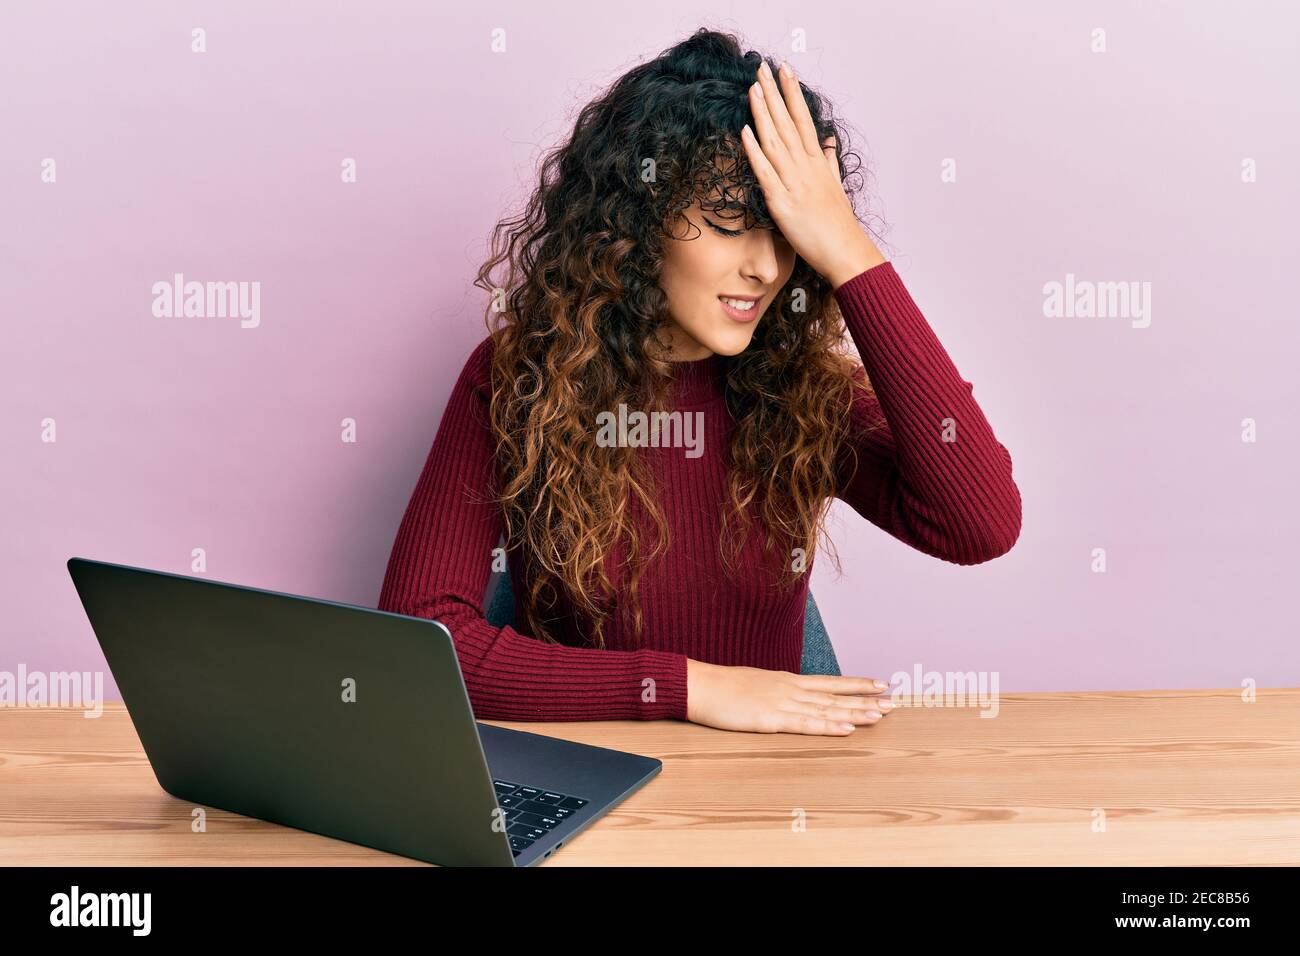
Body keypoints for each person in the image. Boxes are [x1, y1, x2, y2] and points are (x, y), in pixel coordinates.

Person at [378, 29, 1021, 735]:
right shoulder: (515, 381)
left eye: (784, 234)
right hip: (595, 784)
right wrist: (689, 689)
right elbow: (421, 649)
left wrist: (847, 251)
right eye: (726, 224)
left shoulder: (798, 389)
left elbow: (981, 526)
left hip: (768, 798)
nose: (767, 269)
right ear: (638, 221)